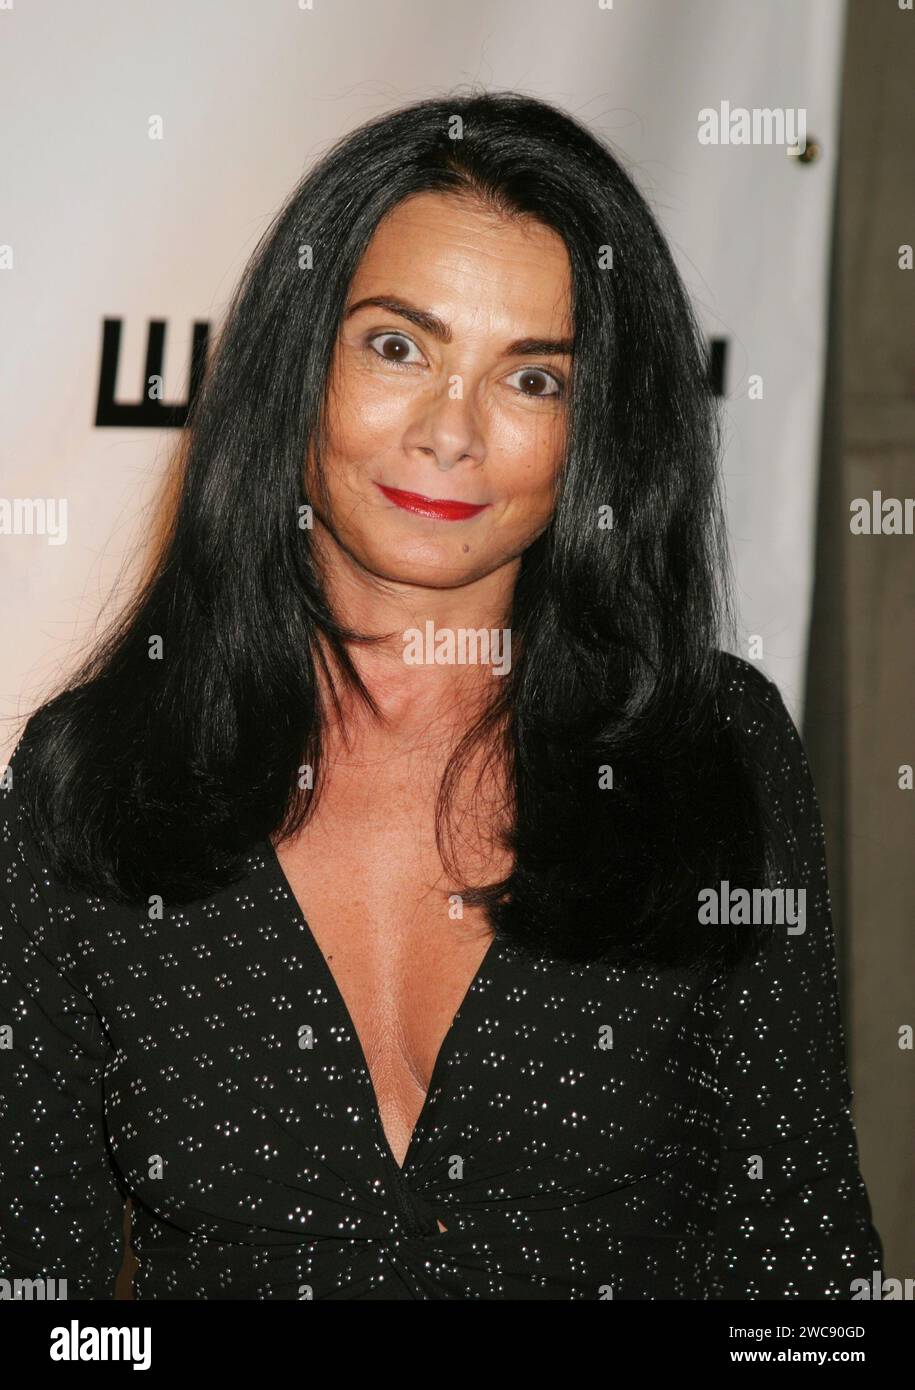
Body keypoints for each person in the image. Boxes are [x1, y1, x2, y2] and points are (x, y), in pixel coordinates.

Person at [0, 90, 882, 1300]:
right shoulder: (94, 776)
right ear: (298, 364)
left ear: (597, 436)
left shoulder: (708, 745)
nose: (451, 432)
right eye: (399, 346)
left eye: (532, 379)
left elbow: (805, 1247)